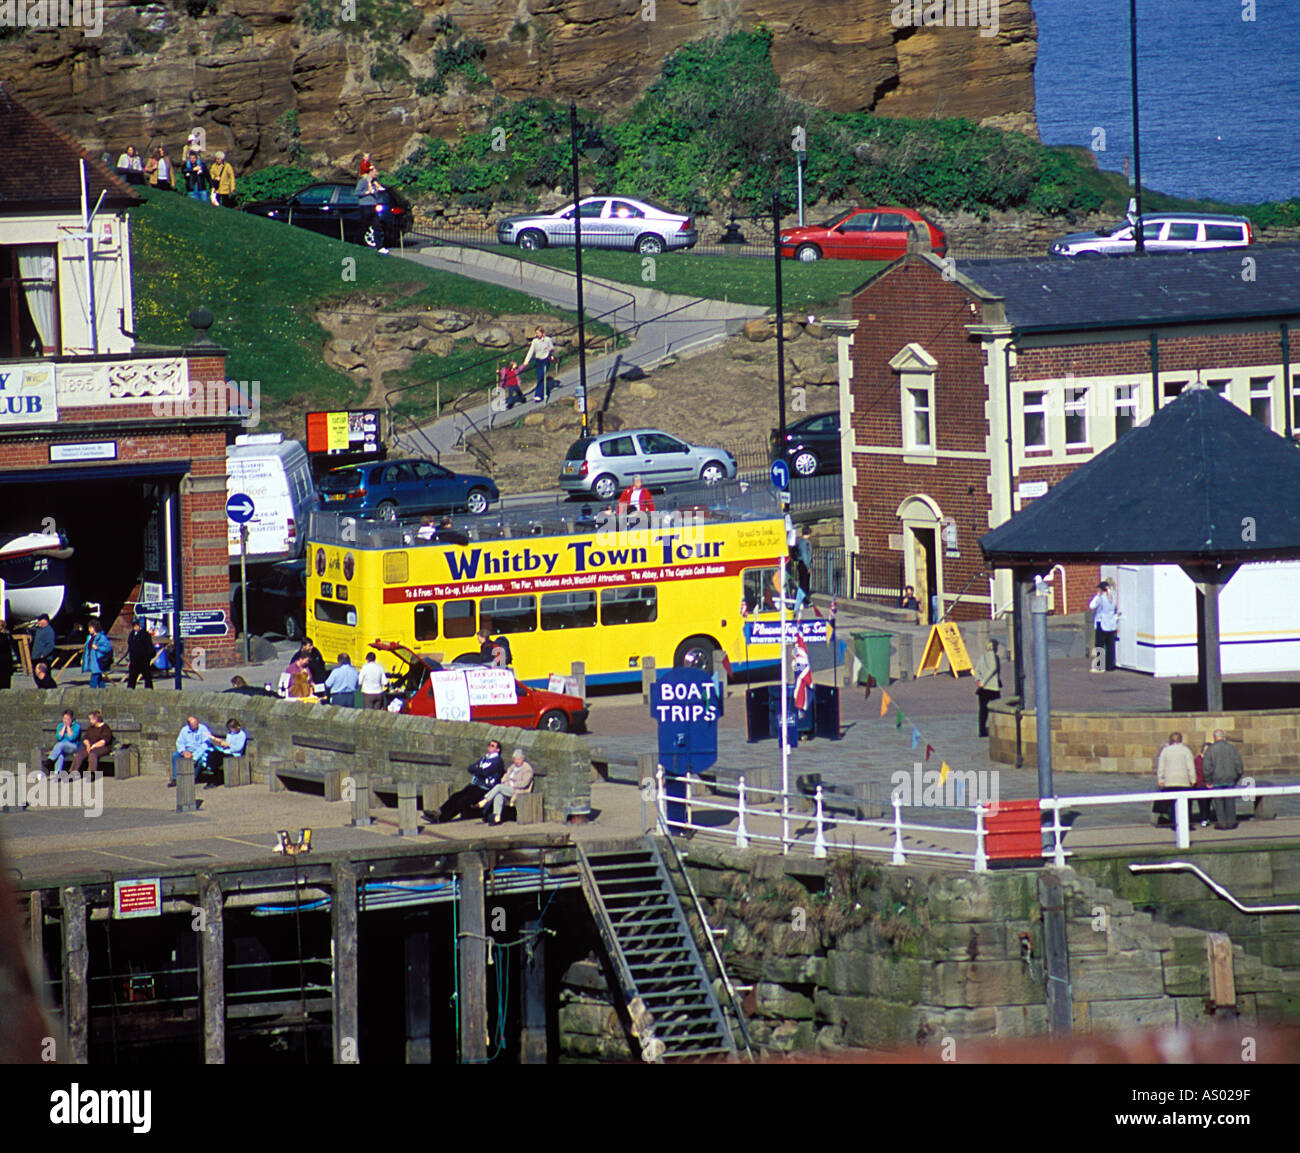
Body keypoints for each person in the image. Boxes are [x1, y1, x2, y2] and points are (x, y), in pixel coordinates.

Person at [431, 739, 505, 823]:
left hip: (484, 788)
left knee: (463, 801)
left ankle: (442, 818)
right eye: (489, 745)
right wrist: (479, 770)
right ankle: (438, 812)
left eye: (492, 746)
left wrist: (478, 770)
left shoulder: (498, 761)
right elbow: (470, 768)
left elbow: (486, 772)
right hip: (474, 785)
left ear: (497, 749)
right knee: (456, 796)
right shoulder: (484, 758)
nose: (489, 747)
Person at [477, 747, 534, 825]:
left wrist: (511, 784)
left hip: (518, 791)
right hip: (508, 789)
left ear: (522, 759)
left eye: (518, 759)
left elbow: (524, 783)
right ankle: (497, 818)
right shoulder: (513, 767)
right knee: (498, 794)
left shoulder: (527, 769)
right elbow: (504, 777)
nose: (516, 761)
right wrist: (505, 782)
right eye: (515, 759)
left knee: (499, 787)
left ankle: (485, 801)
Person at [1151, 731, 1196, 827]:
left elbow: (1161, 766)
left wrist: (1160, 780)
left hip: (1170, 781)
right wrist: (1193, 779)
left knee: (1172, 804)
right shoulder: (1186, 750)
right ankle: (1185, 823)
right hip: (1183, 781)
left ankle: (1175, 823)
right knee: (1185, 804)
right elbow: (1190, 766)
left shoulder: (1166, 751)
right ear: (1181, 740)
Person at [1202, 729, 1244, 830]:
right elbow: (1238, 765)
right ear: (1223, 736)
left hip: (1216, 780)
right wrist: (1237, 776)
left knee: (1219, 802)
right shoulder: (1232, 748)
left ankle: (1222, 823)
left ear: (1214, 737)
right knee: (1230, 801)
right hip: (1230, 778)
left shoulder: (1210, 750)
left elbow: (1207, 767)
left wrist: (1208, 780)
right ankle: (1231, 822)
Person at [203, 718, 248, 789]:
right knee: (212, 753)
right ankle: (211, 774)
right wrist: (221, 743)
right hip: (226, 751)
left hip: (234, 753)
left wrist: (228, 745)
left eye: (231, 728)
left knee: (217, 757)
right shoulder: (230, 734)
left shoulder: (241, 734)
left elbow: (239, 748)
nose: (230, 730)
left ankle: (214, 780)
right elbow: (226, 743)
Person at [170, 715, 214, 786]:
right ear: (189, 725)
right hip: (187, 750)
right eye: (194, 725)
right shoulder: (184, 730)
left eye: (196, 723)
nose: (196, 726)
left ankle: (192, 778)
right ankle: (176, 779)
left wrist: (194, 756)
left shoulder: (203, 729)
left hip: (199, 751)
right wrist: (183, 751)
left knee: (200, 760)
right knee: (175, 755)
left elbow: (206, 745)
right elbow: (179, 742)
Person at [69, 710, 112, 775]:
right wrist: (88, 745)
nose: (90, 721)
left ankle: (91, 773)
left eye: (91, 719)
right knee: (80, 754)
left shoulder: (105, 728)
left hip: (101, 747)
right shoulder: (90, 728)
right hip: (90, 746)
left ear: (96, 719)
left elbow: (104, 741)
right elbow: (85, 738)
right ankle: (72, 772)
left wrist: (94, 746)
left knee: (93, 754)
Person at [973, 639, 1001, 738]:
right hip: (992, 687)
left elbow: (976, 670)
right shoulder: (993, 656)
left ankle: (981, 730)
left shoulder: (982, 656)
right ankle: (996, 729)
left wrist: (978, 681)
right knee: (996, 709)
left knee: (983, 711)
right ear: (994, 647)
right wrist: (984, 681)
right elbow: (993, 669)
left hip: (982, 689)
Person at [1089, 580, 1119, 672]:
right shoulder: (1113, 597)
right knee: (1110, 646)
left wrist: (1097, 596)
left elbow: (1091, 606)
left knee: (1100, 645)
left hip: (1101, 623)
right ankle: (1110, 666)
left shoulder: (1101, 598)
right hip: (1111, 624)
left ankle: (1099, 666)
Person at [522, 326, 555, 402]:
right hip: (538, 360)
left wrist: (550, 349)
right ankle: (544, 392)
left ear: (542, 333)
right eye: (536, 333)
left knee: (541, 375)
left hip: (546, 359)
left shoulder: (547, 340)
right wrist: (526, 361)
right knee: (540, 376)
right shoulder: (535, 341)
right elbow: (531, 351)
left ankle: (538, 395)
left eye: (538, 333)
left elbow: (552, 347)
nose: (537, 334)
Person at [82, 618, 113, 688]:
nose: (89, 629)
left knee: (94, 679)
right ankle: (103, 691)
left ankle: (91, 694)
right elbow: (87, 649)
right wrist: (83, 659)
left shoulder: (101, 637)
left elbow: (108, 648)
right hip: (92, 661)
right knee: (99, 679)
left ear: (94, 628)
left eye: (90, 627)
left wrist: (98, 648)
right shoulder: (89, 637)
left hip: (98, 661)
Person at [47, 709, 80, 775]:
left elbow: (72, 738)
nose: (65, 720)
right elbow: (59, 737)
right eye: (64, 718)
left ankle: (50, 760)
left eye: (68, 719)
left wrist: (68, 727)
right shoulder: (60, 726)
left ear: (72, 719)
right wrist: (64, 727)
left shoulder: (76, 726)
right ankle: (57, 773)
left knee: (61, 744)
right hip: (61, 747)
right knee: (60, 754)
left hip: (72, 747)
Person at [126, 619, 155, 689]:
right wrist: (129, 660)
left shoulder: (145, 634)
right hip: (134, 660)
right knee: (132, 678)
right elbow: (130, 648)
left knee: (147, 677)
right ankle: (129, 692)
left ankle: (149, 692)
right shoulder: (132, 635)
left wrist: (148, 657)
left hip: (143, 660)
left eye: (137, 625)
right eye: (134, 626)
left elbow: (149, 647)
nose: (135, 627)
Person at [1192, 740, 1215, 827]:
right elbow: (1198, 775)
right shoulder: (1197, 760)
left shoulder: (1212, 761)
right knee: (1203, 797)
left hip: (1210, 784)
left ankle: (1207, 816)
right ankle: (1204, 817)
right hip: (1200, 785)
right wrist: (1205, 783)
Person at [0, 620, 12, 690]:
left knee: (4, 679)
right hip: (6, 660)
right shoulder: (8, 635)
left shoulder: (6, 636)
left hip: (4, 660)